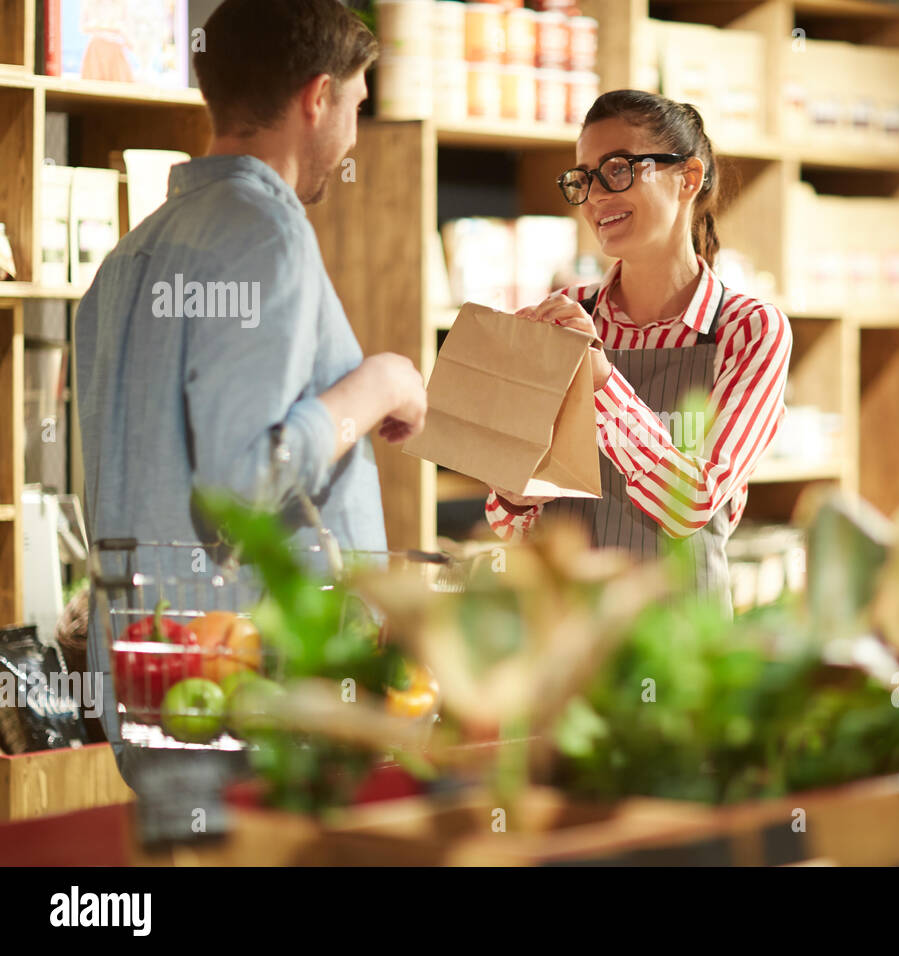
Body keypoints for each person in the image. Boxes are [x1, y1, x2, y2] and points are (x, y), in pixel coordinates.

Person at [75, 0, 427, 790]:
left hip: (156, 680)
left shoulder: (126, 260)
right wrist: (378, 386)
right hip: (256, 683)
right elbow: (240, 481)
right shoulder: (267, 229)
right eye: (358, 107)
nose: (355, 136)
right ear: (316, 97)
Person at [486, 90, 792, 610]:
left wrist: (601, 381)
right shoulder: (566, 313)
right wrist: (516, 472)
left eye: (618, 169)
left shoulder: (749, 330)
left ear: (687, 179)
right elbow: (511, 525)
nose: (596, 196)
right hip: (565, 631)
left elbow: (691, 503)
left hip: (680, 644)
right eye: (583, 179)